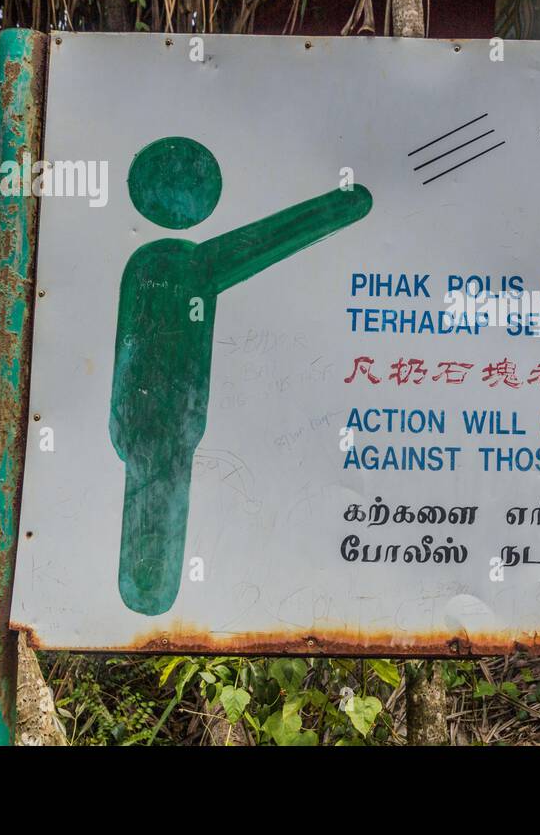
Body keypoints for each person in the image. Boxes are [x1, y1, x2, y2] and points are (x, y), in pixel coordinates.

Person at [110, 136, 373, 615]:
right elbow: (273, 237)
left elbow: (271, 237)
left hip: (152, 423)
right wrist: (347, 203)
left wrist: (347, 204)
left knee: (158, 474)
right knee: (159, 474)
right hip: (160, 422)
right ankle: (147, 591)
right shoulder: (181, 265)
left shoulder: (153, 265)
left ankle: (147, 592)